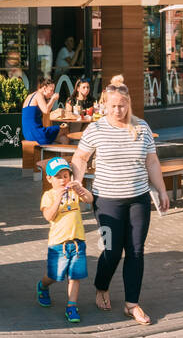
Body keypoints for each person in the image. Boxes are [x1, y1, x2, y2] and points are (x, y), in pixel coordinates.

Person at [71, 83, 167, 325]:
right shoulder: (96, 129)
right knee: (112, 250)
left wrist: (162, 190)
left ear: (129, 103)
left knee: (135, 251)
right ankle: (101, 286)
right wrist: (76, 184)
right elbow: (80, 158)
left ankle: (131, 304)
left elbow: (152, 161)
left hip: (138, 199)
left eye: (122, 106)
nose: (117, 110)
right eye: (112, 106)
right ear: (104, 104)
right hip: (107, 202)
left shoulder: (142, 127)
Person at [36, 157, 94, 324]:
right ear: (49, 179)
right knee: (55, 275)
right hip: (57, 245)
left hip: (77, 242)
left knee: (75, 276)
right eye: (58, 177)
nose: (63, 180)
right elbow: (48, 216)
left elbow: (90, 199)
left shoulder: (75, 192)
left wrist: (81, 189)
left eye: (66, 175)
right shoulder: (48, 195)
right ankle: (43, 286)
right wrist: (57, 200)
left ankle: (71, 306)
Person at [22, 75, 66, 145]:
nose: (52, 93)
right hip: (36, 134)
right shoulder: (38, 95)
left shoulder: (30, 96)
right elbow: (46, 111)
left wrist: (49, 100)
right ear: (44, 88)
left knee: (63, 138)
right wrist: (53, 99)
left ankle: (62, 154)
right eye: (51, 90)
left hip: (28, 134)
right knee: (64, 129)